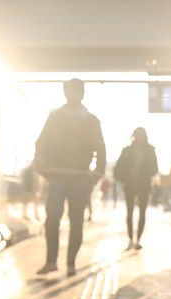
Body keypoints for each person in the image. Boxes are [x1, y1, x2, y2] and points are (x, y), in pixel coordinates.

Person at [33, 78, 106, 276]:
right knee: (52, 218)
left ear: (82, 93)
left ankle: (71, 262)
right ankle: (51, 261)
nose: (71, 95)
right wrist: (39, 160)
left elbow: (101, 149)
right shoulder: (55, 117)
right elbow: (42, 141)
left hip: (79, 177)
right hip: (57, 175)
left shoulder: (91, 121)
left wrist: (96, 173)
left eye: (75, 91)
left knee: (76, 220)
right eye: (68, 91)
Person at [113, 127, 158, 249]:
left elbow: (155, 169)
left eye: (141, 136)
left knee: (142, 213)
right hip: (130, 185)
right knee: (129, 213)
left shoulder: (150, 150)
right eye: (137, 136)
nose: (139, 138)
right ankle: (130, 238)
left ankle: (138, 239)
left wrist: (143, 173)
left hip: (144, 185)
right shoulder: (126, 151)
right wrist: (129, 174)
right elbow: (117, 170)